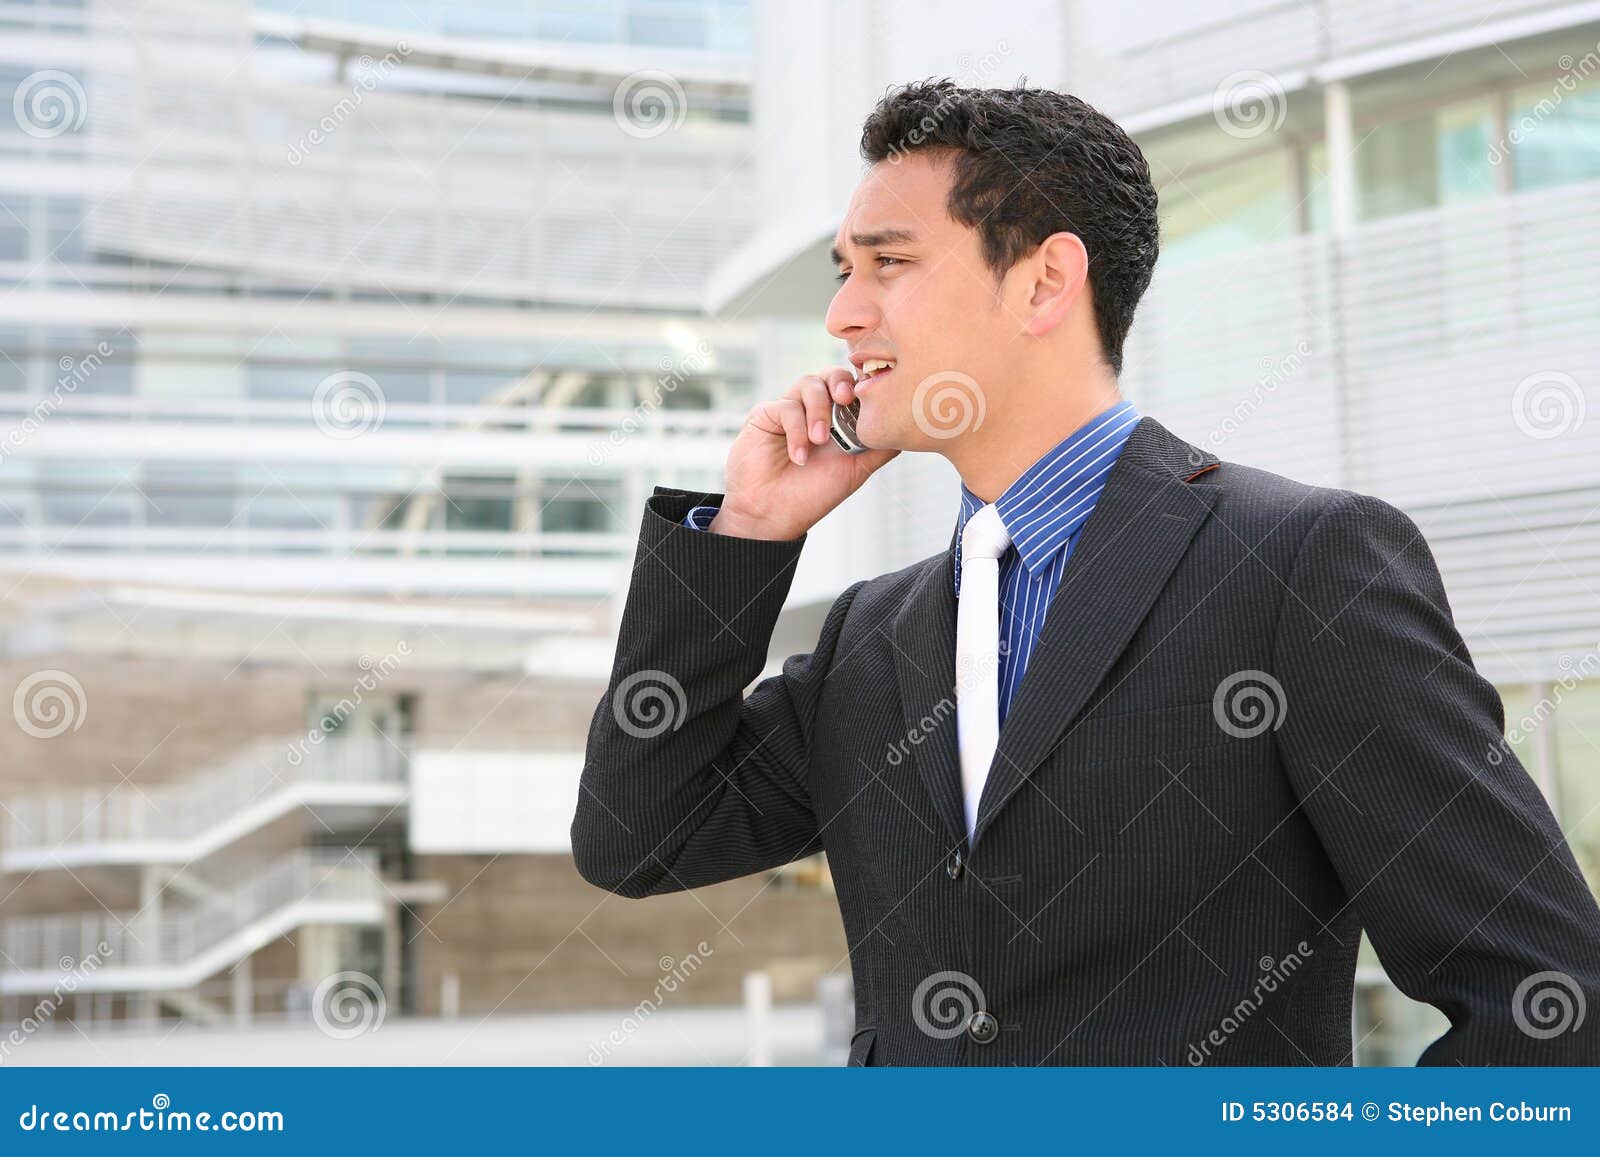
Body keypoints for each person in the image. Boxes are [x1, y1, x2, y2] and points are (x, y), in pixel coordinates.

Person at [571, 79, 1600, 1065]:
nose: (843, 313)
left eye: (887, 263)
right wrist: (745, 532)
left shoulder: (1298, 566)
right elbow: (638, 837)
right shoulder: (871, 635)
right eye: (845, 268)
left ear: (1045, 282)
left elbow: (1544, 992)